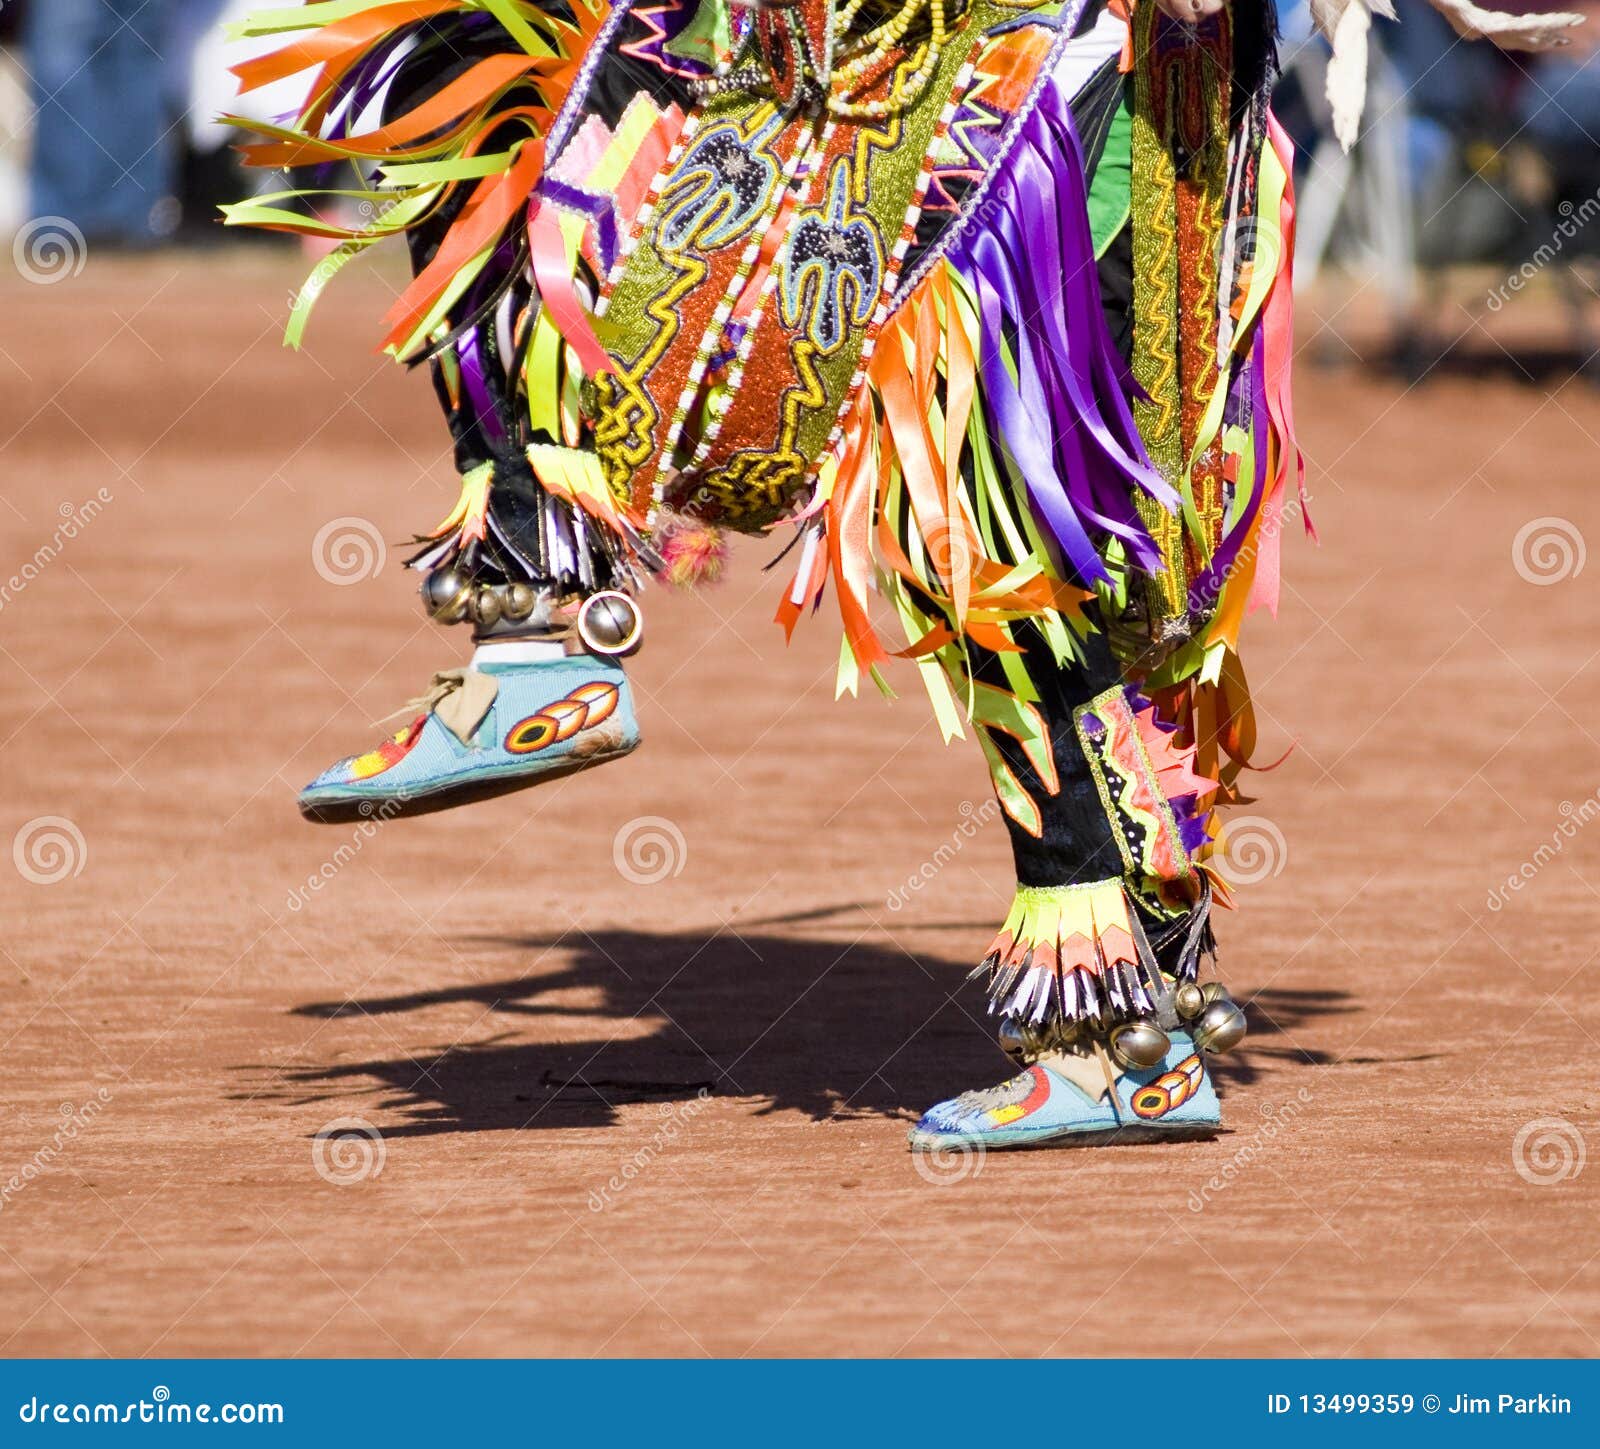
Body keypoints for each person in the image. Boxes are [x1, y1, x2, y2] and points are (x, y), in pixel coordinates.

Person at [222, 0, 1576, 1152]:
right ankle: (535, 633)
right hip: (904, 72)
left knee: (999, 514)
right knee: (484, 83)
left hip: (1051, 91)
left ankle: (1124, 1031)